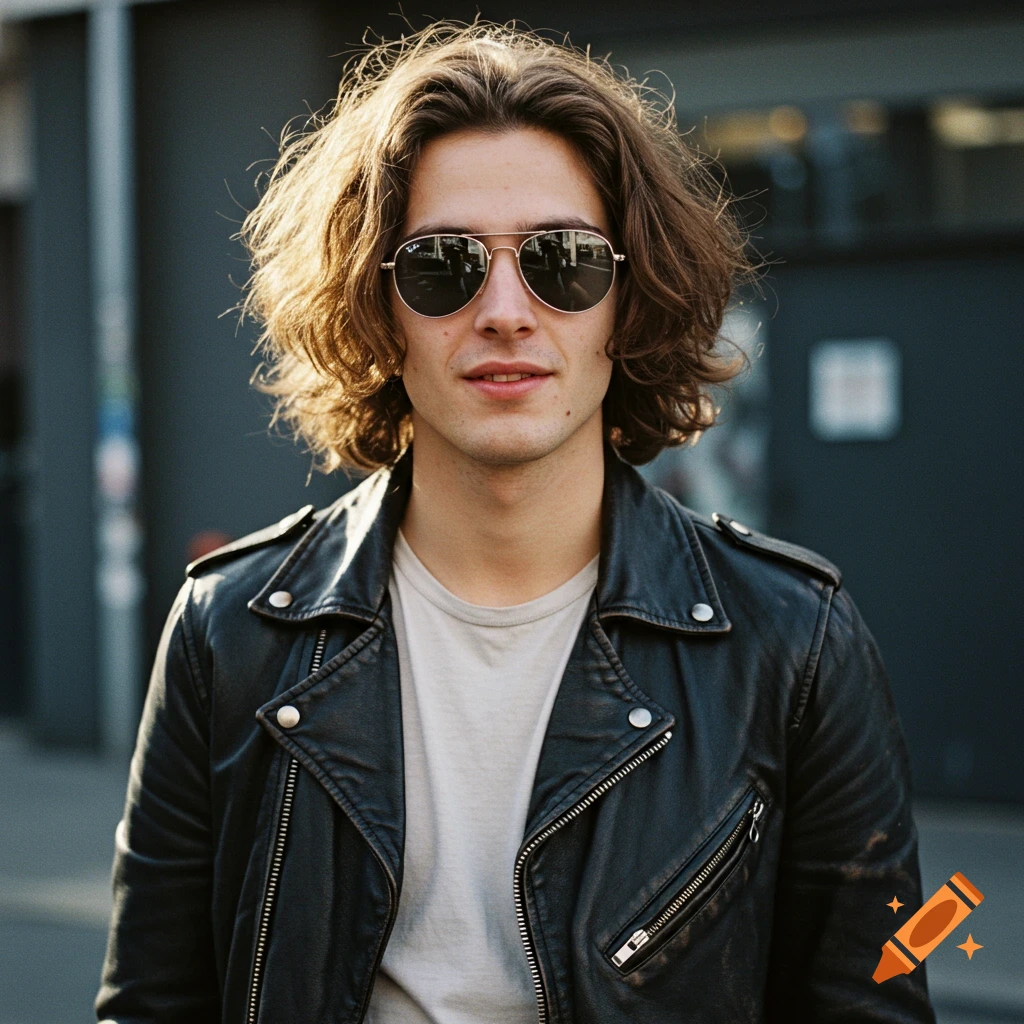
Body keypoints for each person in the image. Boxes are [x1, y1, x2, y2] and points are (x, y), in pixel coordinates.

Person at [96, 22, 935, 1024]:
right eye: (444, 264)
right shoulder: (228, 634)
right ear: (376, 307)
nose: (504, 309)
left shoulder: (793, 646)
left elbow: (877, 992)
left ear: (626, 302)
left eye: (563, 260)